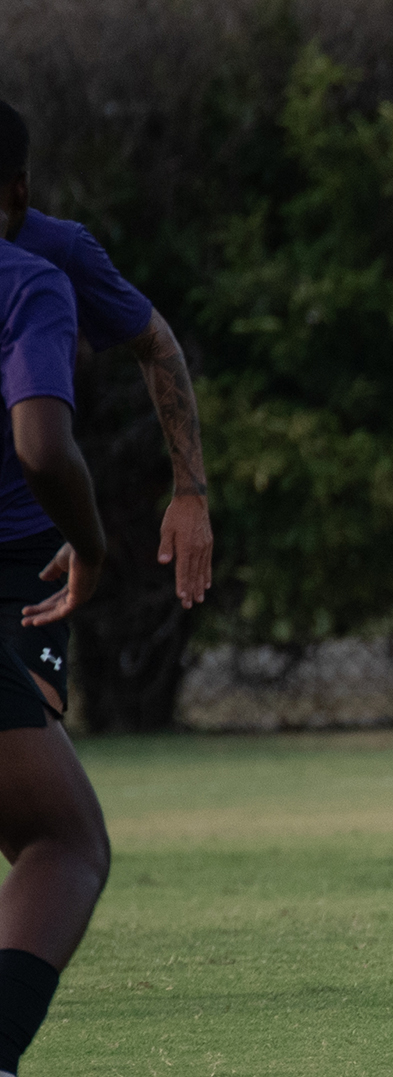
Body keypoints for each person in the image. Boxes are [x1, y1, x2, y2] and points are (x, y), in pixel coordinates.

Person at [0, 100, 210, 718]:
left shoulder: (55, 256)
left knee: (30, 727)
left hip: (24, 552)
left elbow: (156, 343)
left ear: (19, 190)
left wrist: (190, 491)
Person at [0, 152, 114, 1076]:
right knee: (63, 840)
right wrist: (91, 540)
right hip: (20, 572)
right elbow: (42, 445)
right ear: (16, 193)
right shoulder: (27, 280)